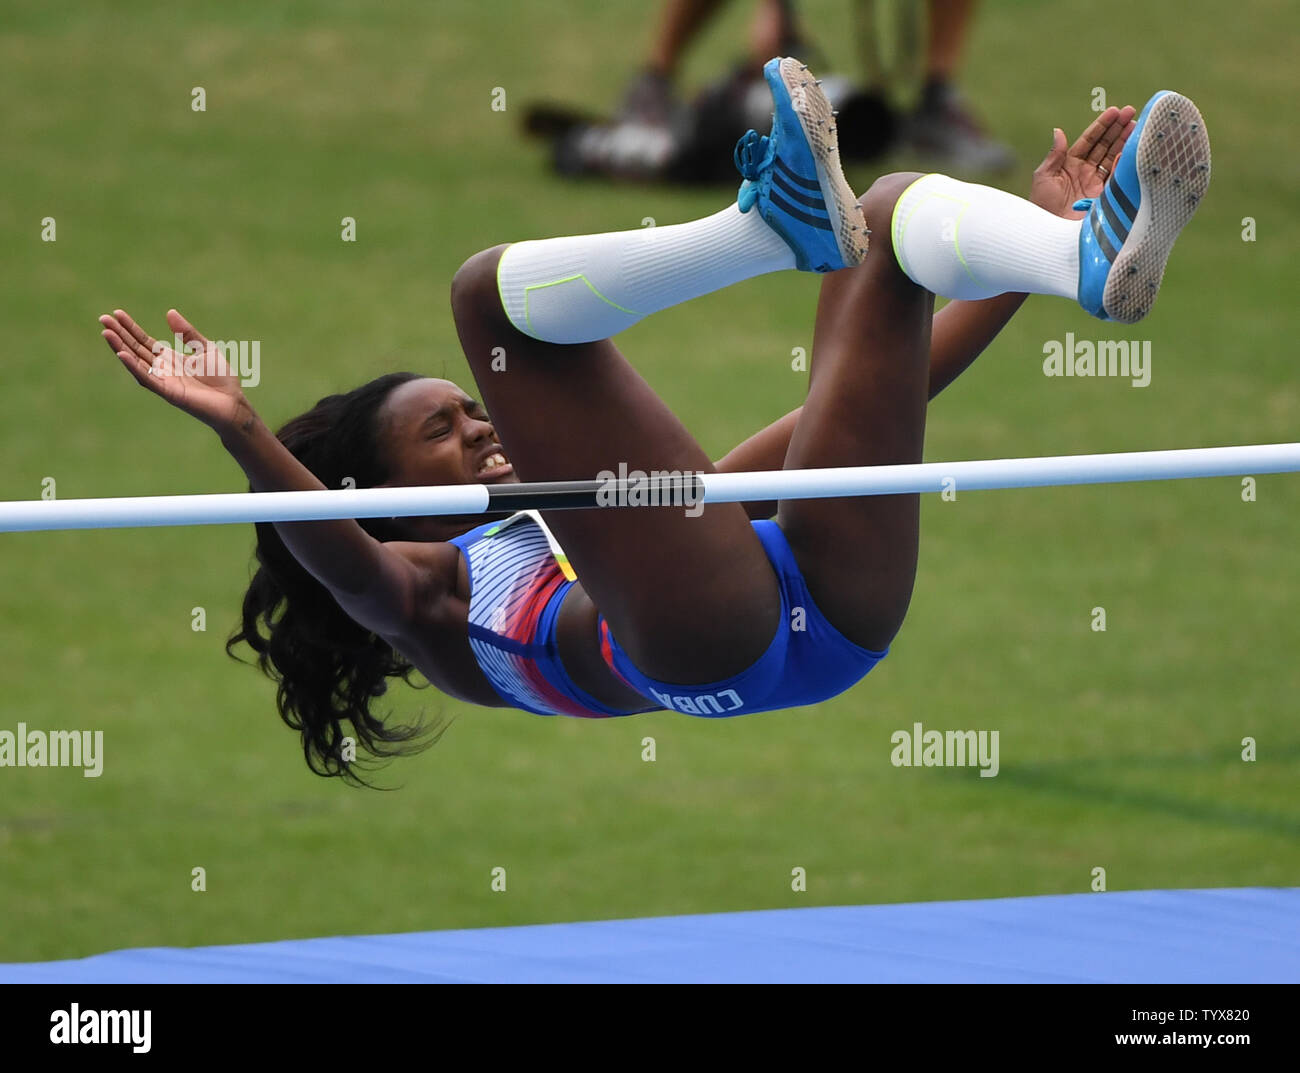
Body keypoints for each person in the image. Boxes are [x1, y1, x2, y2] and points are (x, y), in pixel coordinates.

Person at [99, 59, 1209, 783]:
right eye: (440, 431)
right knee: (488, 300)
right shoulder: (431, 601)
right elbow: (349, 573)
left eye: (471, 410)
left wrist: (1024, 246)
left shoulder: (629, 528)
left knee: (889, 220)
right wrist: (247, 435)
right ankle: (764, 230)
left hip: (814, 608)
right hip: (701, 644)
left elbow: (867, 401)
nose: (483, 429)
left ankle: (1080, 254)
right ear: (386, 497)